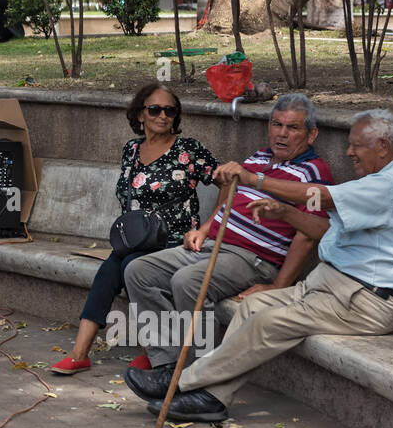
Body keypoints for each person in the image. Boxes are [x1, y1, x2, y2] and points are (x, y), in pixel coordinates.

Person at [127, 109, 393, 422]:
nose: (348, 152)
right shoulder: (375, 183)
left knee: (267, 323)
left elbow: (317, 196)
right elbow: (323, 229)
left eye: (356, 146)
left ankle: (179, 382)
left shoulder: (389, 186)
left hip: (364, 301)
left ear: (383, 146)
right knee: (253, 306)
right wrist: (285, 213)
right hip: (328, 288)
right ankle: (213, 398)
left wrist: (257, 180)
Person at [120, 93, 332, 373]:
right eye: (276, 125)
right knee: (138, 270)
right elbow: (230, 194)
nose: (282, 134)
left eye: (292, 128)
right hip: (214, 247)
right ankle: (167, 363)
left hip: (252, 259)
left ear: (311, 134)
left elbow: (311, 233)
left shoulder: (315, 173)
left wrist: (279, 285)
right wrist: (205, 229)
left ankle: (198, 372)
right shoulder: (259, 158)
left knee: (188, 281)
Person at [50, 83, 217, 375]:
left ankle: (150, 352)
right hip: (137, 239)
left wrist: (207, 227)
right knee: (109, 270)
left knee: (130, 266)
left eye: (169, 110)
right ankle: (79, 353)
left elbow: (228, 183)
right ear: (141, 114)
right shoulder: (131, 149)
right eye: (155, 109)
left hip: (174, 242)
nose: (162, 116)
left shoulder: (188, 150)